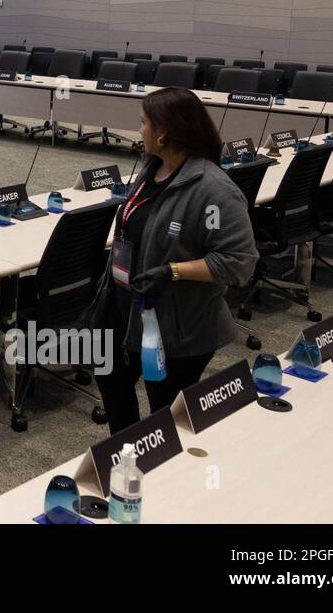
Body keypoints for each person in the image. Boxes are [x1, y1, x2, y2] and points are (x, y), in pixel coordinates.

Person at [91, 86, 258, 434]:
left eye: (144, 123)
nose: (140, 131)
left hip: (175, 327)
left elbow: (239, 263)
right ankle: (129, 452)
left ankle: (159, 472)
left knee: (164, 414)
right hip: (128, 309)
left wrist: (172, 271)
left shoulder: (214, 190)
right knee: (110, 378)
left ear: (164, 132)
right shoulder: (153, 169)